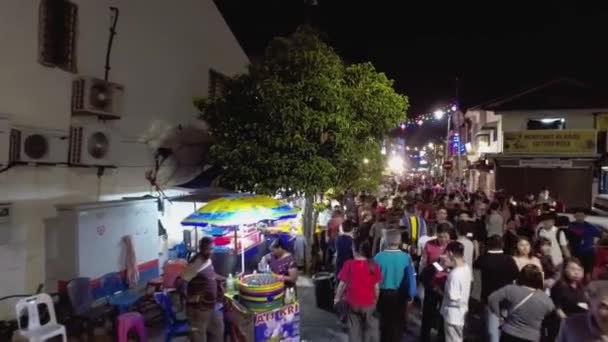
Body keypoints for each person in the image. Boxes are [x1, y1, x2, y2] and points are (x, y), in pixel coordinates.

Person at [488, 264, 555, 342]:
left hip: (509, 333)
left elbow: (492, 298)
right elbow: (551, 314)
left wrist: (499, 314)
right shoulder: (545, 299)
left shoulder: (510, 289)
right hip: (531, 337)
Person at [177, 237, 224, 342]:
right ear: (201, 249)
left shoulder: (207, 259)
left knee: (218, 331)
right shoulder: (195, 263)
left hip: (211, 305)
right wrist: (189, 298)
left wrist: (224, 278)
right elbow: (180, 282)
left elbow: (212, 274)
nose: (210, 252)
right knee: (198, 336)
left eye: (212, 249)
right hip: (198, 309)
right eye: (208, 249)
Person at [474, 235, 520, 342]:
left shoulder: (482, 260)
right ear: (502, 245)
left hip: (489, 299)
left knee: (492, 330)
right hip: (506, 299)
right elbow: (516, 276)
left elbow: (476, 279)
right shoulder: (509, 259)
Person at [334, 240, 382, 342]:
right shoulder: (373, 265)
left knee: (354, 331)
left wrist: (337, 298)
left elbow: (342, 284)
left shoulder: (349, 264)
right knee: (369, 330)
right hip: (369, 303)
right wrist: (376, 300)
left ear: (354, 250)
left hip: (352, 303)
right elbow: (376, 287)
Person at [375, 230, 417, 342]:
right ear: (399, 241)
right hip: (400, 294)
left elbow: (373, 278)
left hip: (383, 294)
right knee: (398, 324)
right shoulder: (406, 257)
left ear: (386, 240)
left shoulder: (378, 257)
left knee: (384, 323)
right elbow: (411, 277)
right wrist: (411, 294)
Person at [420, 223, 452, 342]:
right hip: (432, 284)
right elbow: (424, 264)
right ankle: (424, 337)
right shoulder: (429, 245)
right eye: (440, 236)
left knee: (444, 314)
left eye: (445, 236)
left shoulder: (452, 246)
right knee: (428, 313)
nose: (443, 239)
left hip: (446, 285)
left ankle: (442, 337)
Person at [545, 258, 587, 341]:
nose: (576, 272)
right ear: (564, 270)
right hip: (562, 326)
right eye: (572, 269)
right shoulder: (560, 286)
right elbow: (557, 308)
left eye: (579, 269)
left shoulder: (581, 287)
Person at [439, 241, 472, 342]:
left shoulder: (454, 274)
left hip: (452, 315)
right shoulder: (466, 268)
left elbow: (453, 297)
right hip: (462, 312)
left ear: (450, 254)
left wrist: (440, 291)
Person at [569, 209, 603, 280]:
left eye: (581, 215)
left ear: (585, 216)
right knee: (576, 272)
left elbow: (602, 235)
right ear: (574, 216)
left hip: (589, 253)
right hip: (575, 253)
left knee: (588, 274)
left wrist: (597, 244)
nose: (579, 217)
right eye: (577, 215)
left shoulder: (590, 227)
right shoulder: (570, 226)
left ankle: (587, 288)